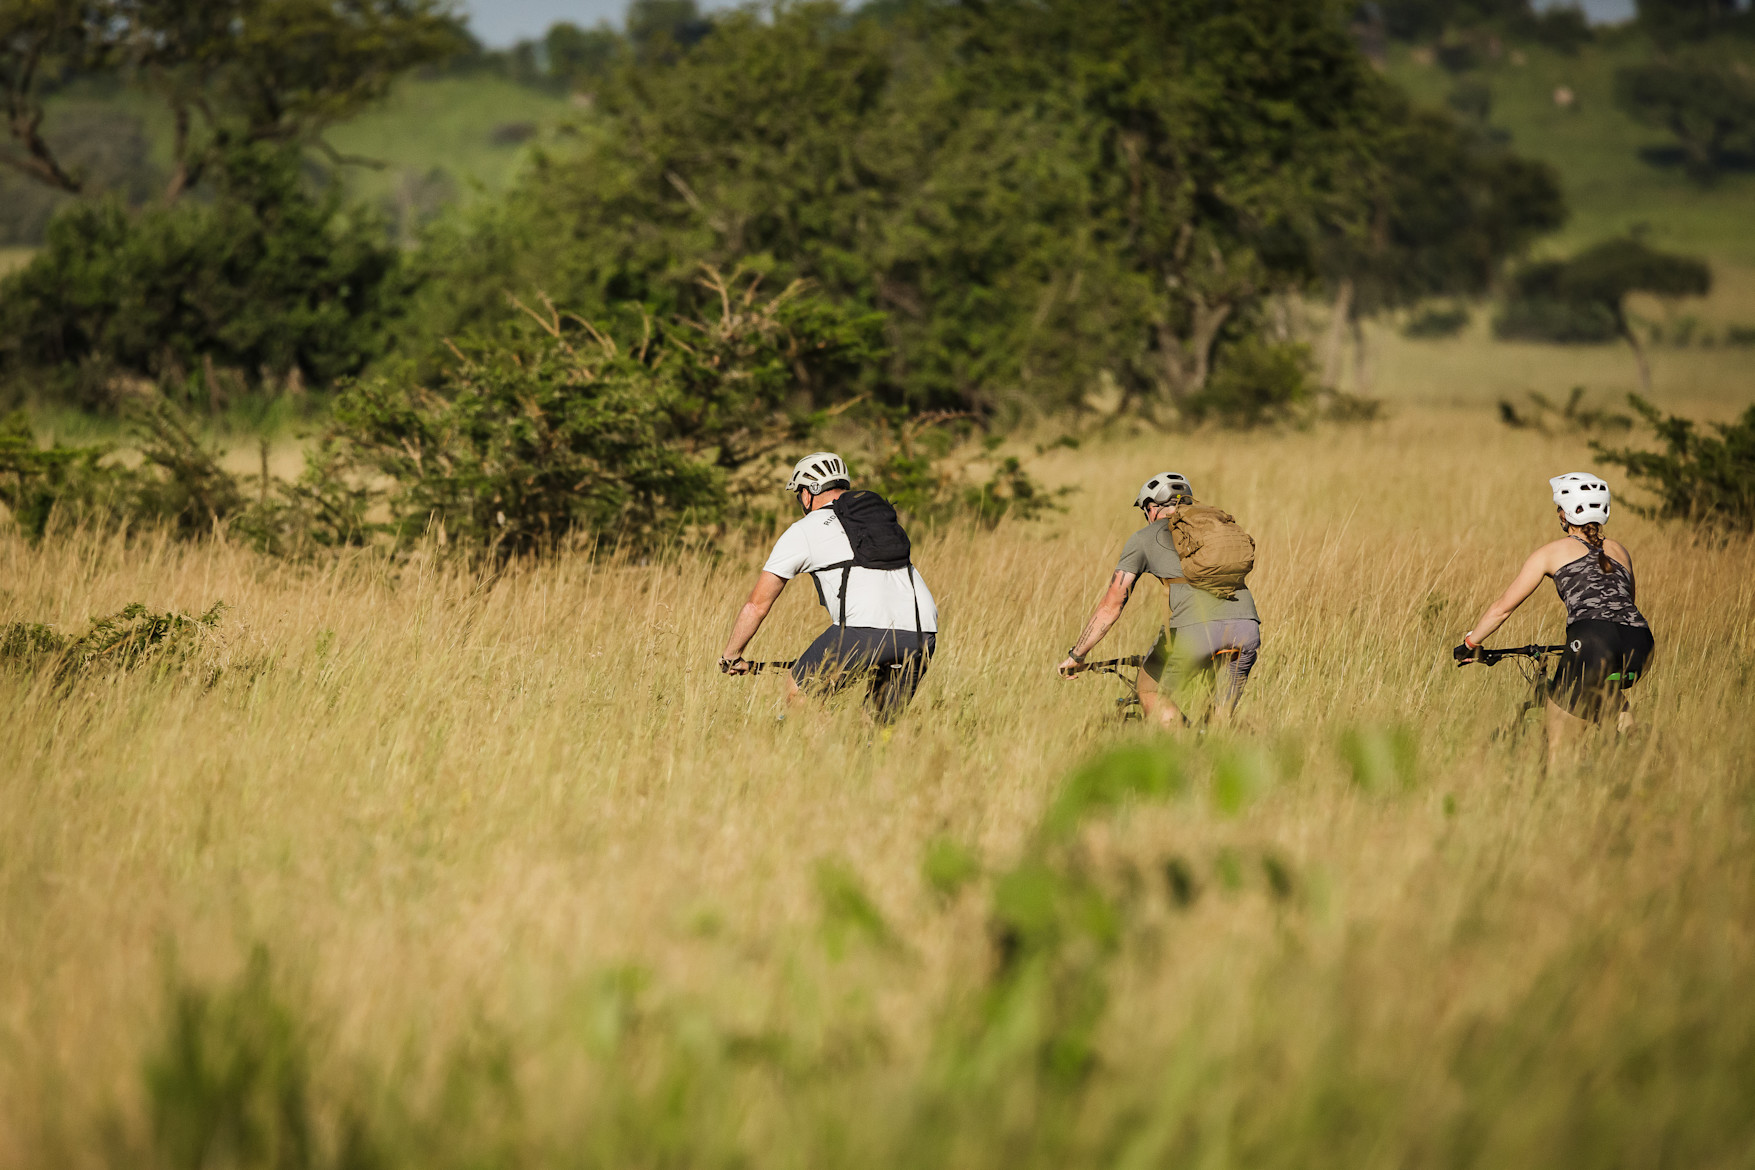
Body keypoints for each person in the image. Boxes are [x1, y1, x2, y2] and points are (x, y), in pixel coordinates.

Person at [719, 452, 939, 722]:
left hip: (865, 630)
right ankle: (871, 757)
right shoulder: (874, 522)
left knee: (798, 692)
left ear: (808, 493)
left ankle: (831, 753)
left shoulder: (804, 530)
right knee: (876, 722)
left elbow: (757, 605)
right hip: (922, 630)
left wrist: (732, 655)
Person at [1456, 473, 1654, 748]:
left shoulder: (1550, 553)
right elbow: (1625, 606)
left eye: (1559, 507)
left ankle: (1559, 780)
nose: (1558, 513)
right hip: (1640, 641)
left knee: (1559, 746)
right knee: (1603, 690)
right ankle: (1642, 752)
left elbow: (1502, 609)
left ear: (1568, 512)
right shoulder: (1619, 550)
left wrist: (1470, 643)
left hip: (1594, 640)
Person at [1057, 472, 1261, 728]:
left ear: (1152, 507)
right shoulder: (1214, 527)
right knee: (1220, 714)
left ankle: (1186, 747)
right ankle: (1214, 751)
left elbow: (1111, 605)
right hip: (1246, 628)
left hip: (1193, 631)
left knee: (1150, 691)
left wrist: (1077, 655)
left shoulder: (1143, 538)